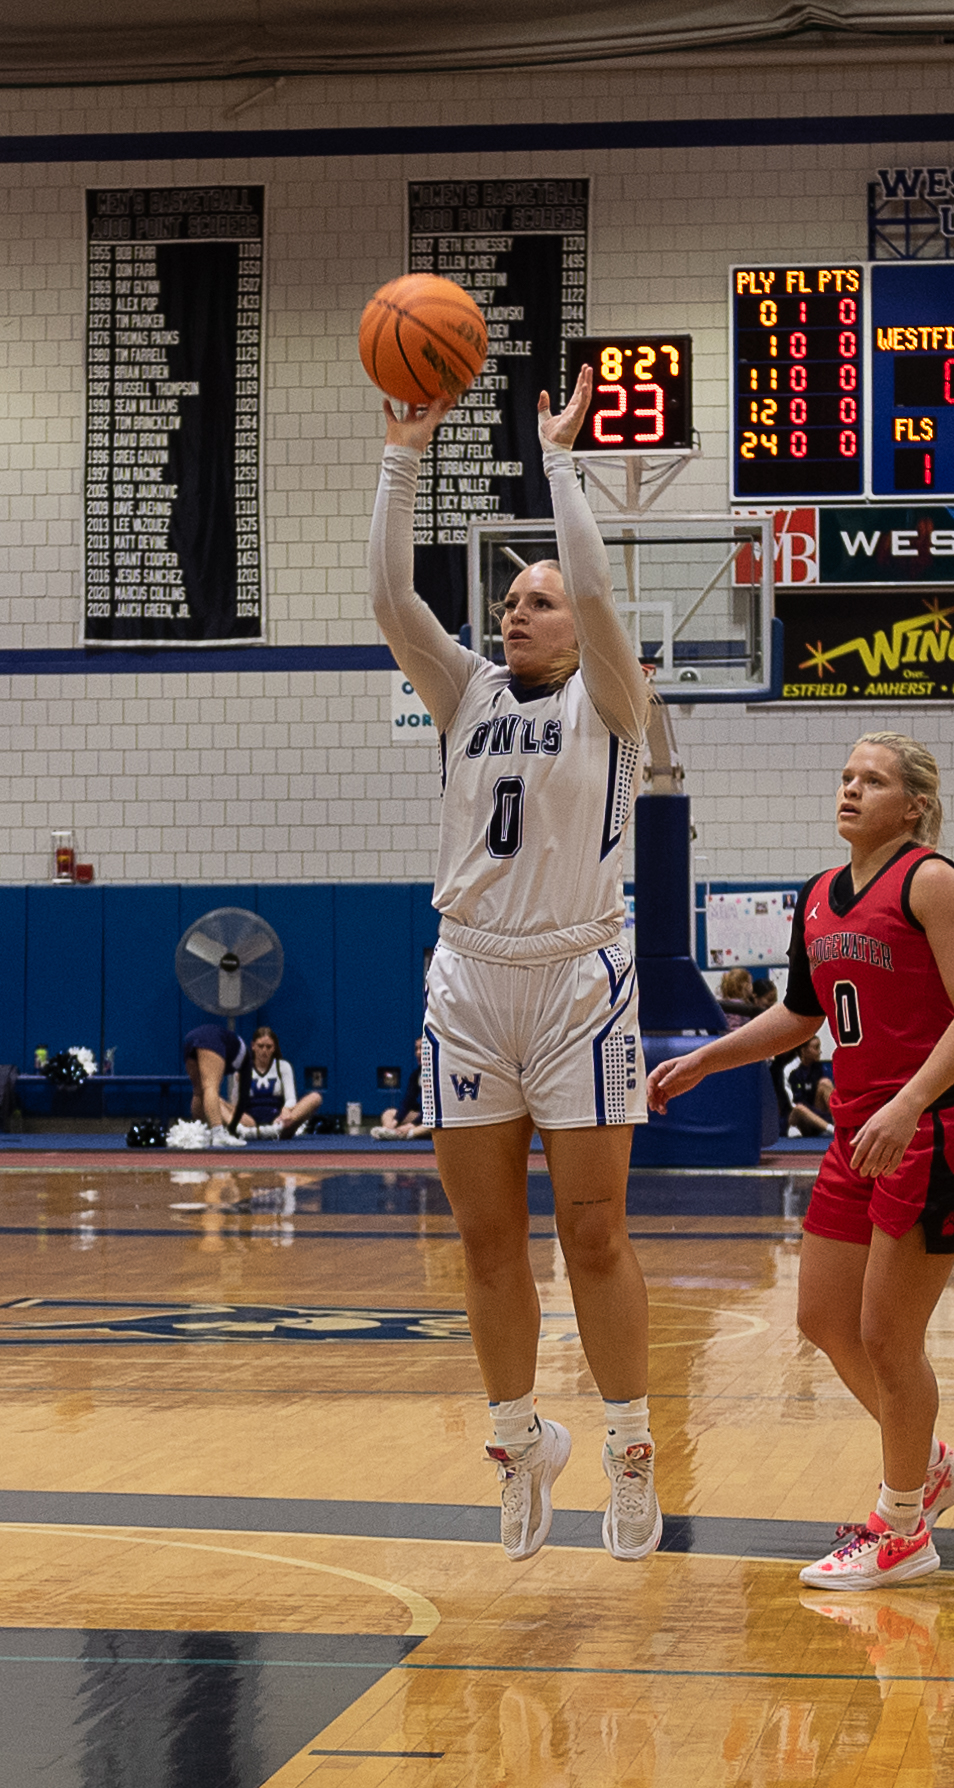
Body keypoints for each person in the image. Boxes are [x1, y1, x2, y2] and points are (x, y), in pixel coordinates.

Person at [369, 365, 659, 1564]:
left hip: (580, 981)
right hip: (469, 981)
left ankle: (632, 1446)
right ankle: (517, 1437)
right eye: (508, 602)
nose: (515, 613)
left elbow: (591, 587)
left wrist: (558, 463)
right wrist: (402, 457)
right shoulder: (466, 691)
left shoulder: (612, 696)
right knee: (485, 1243)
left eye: (532, 601)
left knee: (592, 1234)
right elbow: (391, 600)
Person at [648, 733, 954, 1589]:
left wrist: (908, 1101)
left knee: (886, 1335)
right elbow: (803, 1014)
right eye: (845, 777)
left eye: (871, 781)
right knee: (822, 1321)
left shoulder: (932, 881)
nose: (850, 790)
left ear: (912, 804)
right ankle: (932, 1464)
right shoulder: (818, 896)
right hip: (854, 1135)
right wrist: (708, 1057)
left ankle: (903, 1527)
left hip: (931, 1129)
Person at [231, 1025, 323, 1140]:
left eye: (268, 1047)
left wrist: (286, 1111)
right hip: (249, 1123)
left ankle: (272, 1131)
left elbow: (291, 1098)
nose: (264, 1051)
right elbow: (235, 1104)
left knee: (315, 1097)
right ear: (253, 1046)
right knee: (216, 1101)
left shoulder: (283, 1066)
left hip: (278, 1123)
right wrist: (238, 1084)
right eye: (260, 1046)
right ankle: (246, 1131)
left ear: (274, 1048)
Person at [182, 1024, 247, 1148]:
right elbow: (242, 1098)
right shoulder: (245, 1061)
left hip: (189, 1038)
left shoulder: (234, 1050)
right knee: (210, 1087)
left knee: (198, 1090)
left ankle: (200, 1133)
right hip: (210, 1040)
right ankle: (218, 1134)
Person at [372, 1038, 432, 1140]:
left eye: (422, 1048)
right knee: (388, 1113)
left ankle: (407, 1134)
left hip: (435, 1118)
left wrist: (412, 1125)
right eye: (416, 1049)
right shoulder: (416, 1075)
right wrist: (395, 1121)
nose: (418, 1052)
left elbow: (434, 1110)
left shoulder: (439, 1074)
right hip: (423, 1116)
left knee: (433, 1123)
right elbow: (408, 1101)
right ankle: (389, 1131)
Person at [784, 1035, 834, 1137]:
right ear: (803, 1050)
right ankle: (832, 1129)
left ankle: (841, 1125)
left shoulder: (819, 1067)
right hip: (799, 1118)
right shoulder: (790, 1071)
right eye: (816, 1048)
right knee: (799, 1108)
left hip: (817, 1116)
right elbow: (793, 1105)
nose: (819, 1052)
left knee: (825, 1083)